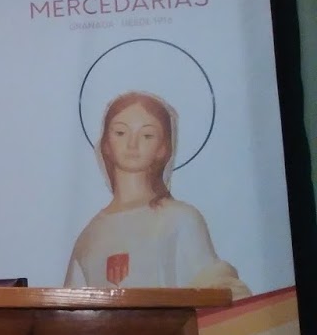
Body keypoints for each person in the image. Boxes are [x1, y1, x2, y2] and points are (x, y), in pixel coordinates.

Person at [64, 90, 249, 298]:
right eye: (120, 133)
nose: (132, 145)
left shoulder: (180, 219)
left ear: (163, 147)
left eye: (147, 135)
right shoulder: (90, 235)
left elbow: (220, 293)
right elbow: (70, 314)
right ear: (106, 144)